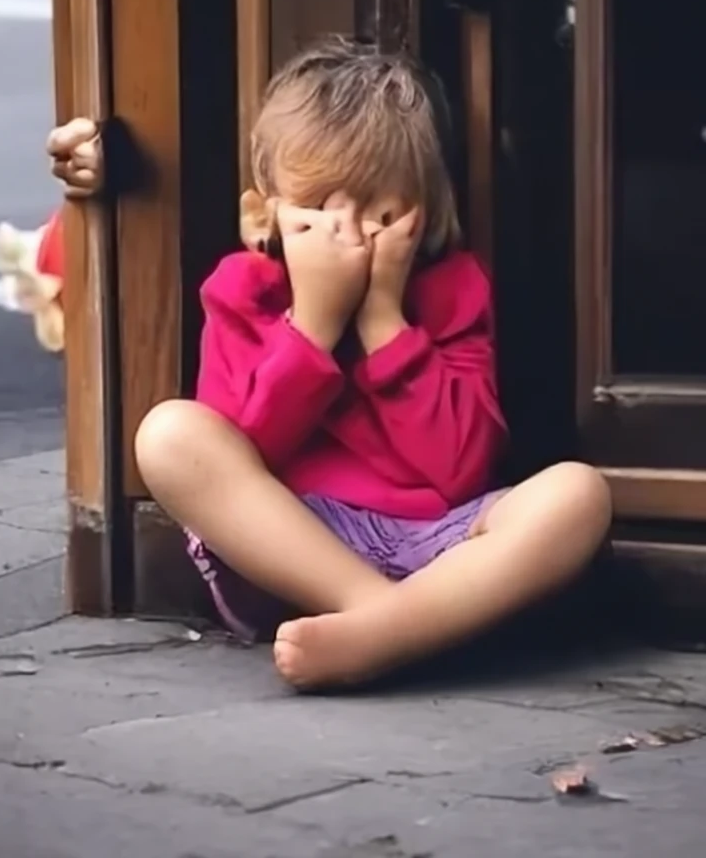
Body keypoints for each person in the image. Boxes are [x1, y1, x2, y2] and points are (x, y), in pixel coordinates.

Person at [46, 38, 611, 691]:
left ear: (422, 218)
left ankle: (380, 634)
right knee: (171, 433)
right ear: (266, 215)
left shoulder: (455, 289)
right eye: (319, 209)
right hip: (294, 552)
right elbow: (246, 451)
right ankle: (388, 622)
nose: (348, 234)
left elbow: (459, 471)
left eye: (378, 213)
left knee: (577, 494)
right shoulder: (244, 288)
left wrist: (383, 322)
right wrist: (312, 325)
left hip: (435, 548)